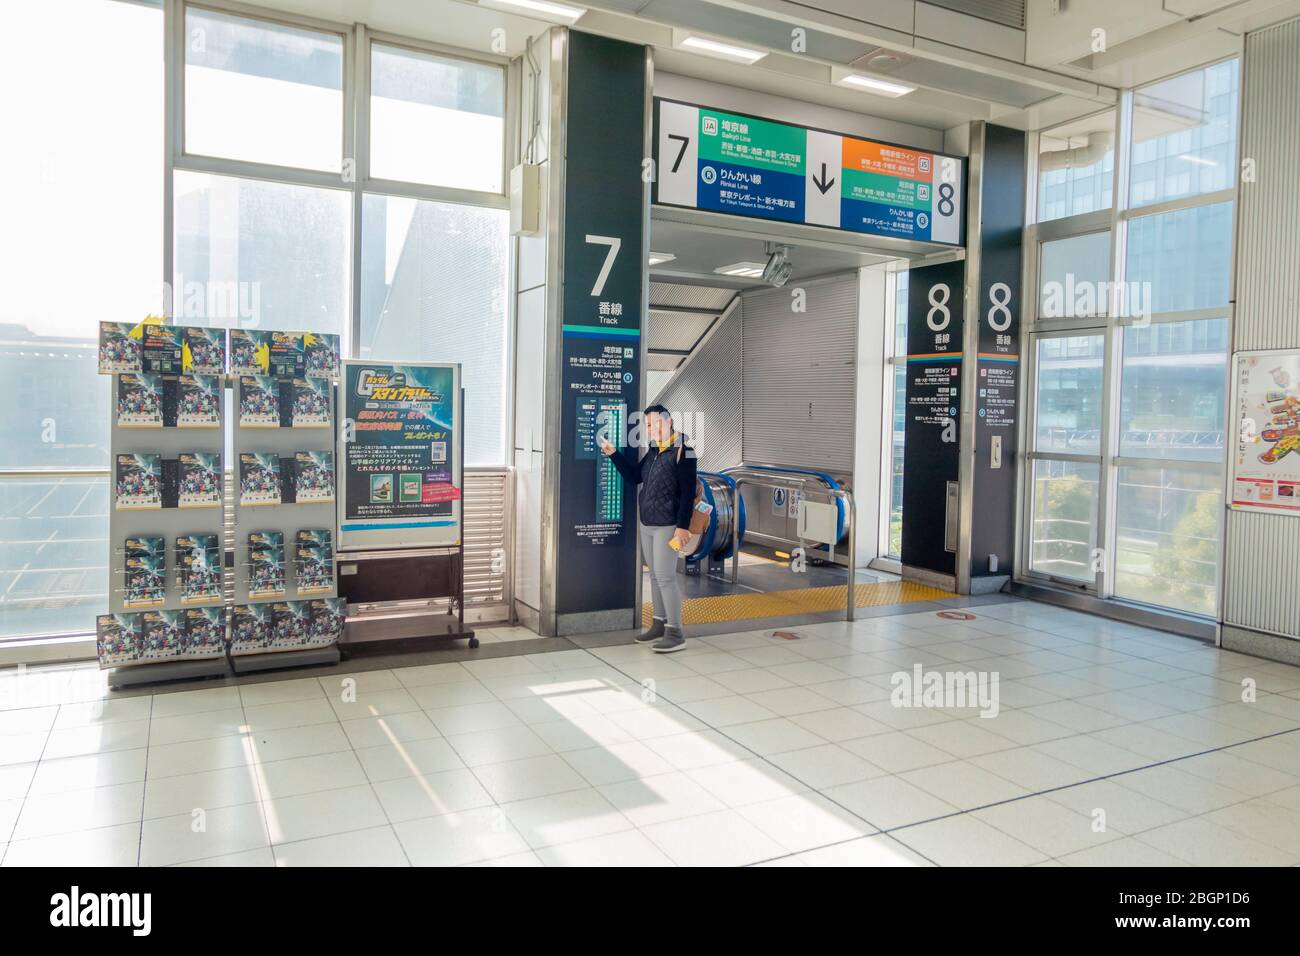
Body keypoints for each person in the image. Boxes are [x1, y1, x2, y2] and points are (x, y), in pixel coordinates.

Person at [598, 404, 696, 653]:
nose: (652, 429)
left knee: (666, 577)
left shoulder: (686, 452)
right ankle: (659, 624)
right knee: (654, 576)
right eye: (649, 425)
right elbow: (634, 477)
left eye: (657, 423)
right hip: (648, 523)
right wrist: (613, 454)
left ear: (670, 421)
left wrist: (682, 527)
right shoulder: (653, 452)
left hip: (668, 526)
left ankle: (676, 632)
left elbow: (687, 494)